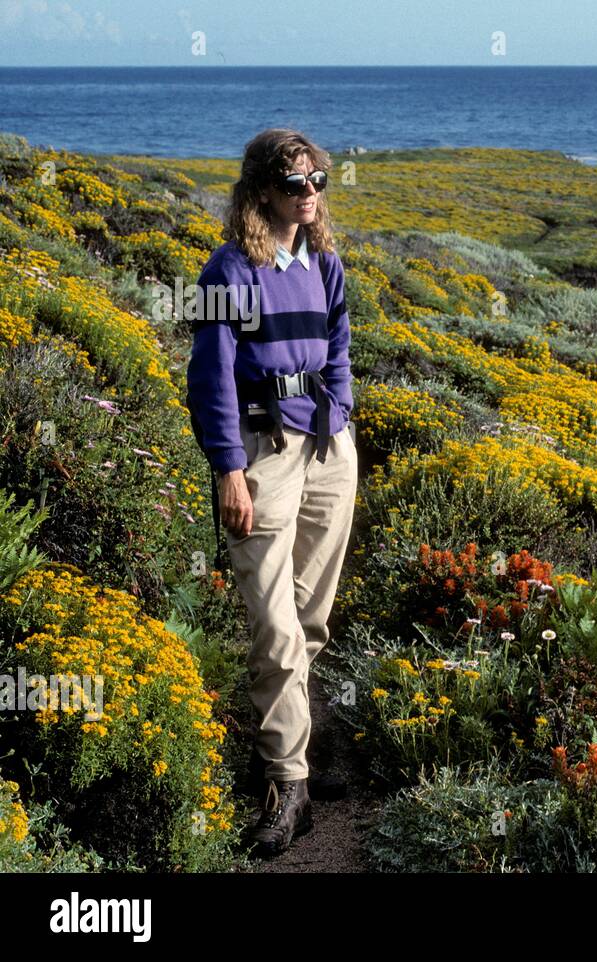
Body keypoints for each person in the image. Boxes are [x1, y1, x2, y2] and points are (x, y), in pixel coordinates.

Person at [186, 128, 357, 857]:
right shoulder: (230, 272)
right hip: (264, 457)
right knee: (276, 629)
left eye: (317, 178)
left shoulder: (324, 262)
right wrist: (230, 468)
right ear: (260, 193)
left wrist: (340, 415)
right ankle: (286, 784)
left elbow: (342, 345)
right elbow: (210, 379)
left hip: (328, 454)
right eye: (295, 183)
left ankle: (300, 766)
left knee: (310, 622)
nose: (310, 193)